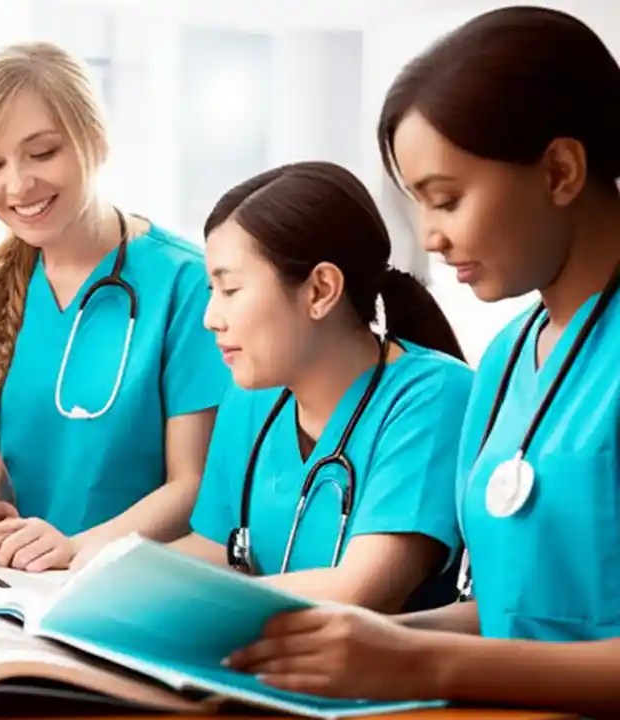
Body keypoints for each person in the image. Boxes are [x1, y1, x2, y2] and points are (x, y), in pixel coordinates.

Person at [225, 7, 620, 714]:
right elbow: (509, 620)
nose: (430, 238)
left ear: (560, 170)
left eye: (447, 199)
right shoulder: (504, 365)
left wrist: (417, 659)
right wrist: (343, 646)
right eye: (415, 205)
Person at [0, 42, 230, 573]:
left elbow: (193, 485)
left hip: (129, 589)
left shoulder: (186, 283)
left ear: (95, 140)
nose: (18, 184)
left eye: (43, 152)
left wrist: (79, 548)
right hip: (18, 591)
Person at [168, 161, 472, 614]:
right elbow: (217, 549)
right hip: (254, 668)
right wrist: (97, 578)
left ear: (320, 290)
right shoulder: (250, 396)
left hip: (373, 683)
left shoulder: (433, 396)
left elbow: (362, 591)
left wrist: (187, 605)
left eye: (229, 290)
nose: (211, 317)